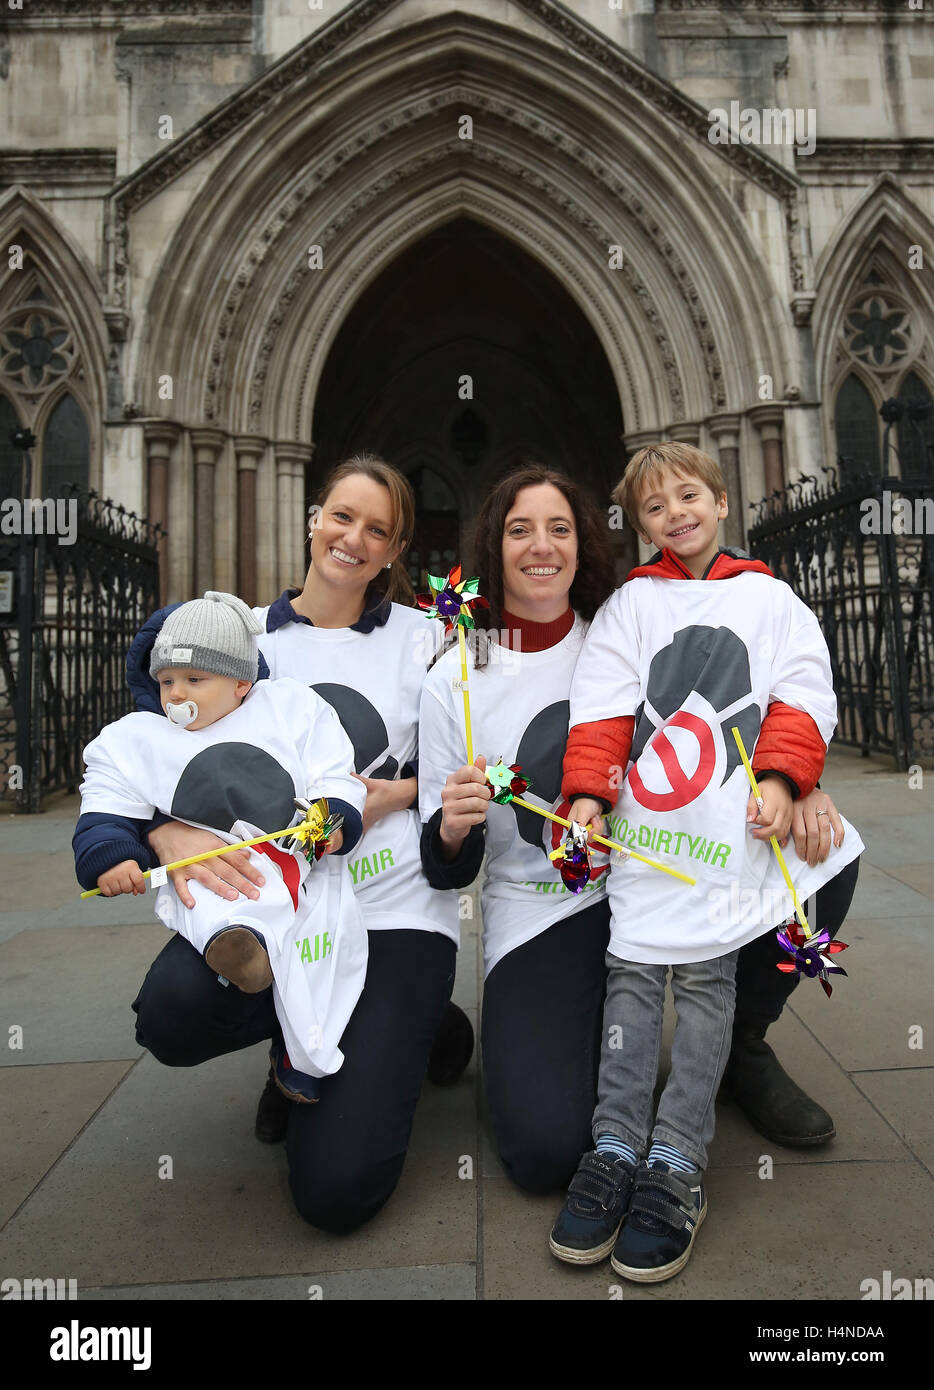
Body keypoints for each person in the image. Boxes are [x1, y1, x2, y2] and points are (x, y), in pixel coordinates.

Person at [418, 461, 861, 1205]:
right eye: (520, 530)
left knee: (828, 861)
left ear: (585, 544)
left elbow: (752, 702)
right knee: (544, 1152)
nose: (540, 546)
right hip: (546, 911)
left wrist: (801, 784)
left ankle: (739, 1046)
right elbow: (442, 868)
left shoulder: (628, 621)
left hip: (663, 865)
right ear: (493, 546)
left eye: (559, 528)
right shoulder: (455, 676)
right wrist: (453, 829)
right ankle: (578, 1040)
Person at [128, 457, 469, 1233]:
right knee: (173, 1013)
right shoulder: (242, 635)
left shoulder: (429, 639)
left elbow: (470, 760)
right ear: (313, 518)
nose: (353, 538)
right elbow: (151, 735)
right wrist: (161, 828)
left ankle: (424, 1019)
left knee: (335, 1194)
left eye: (377, 529)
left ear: (394, 550)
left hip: (393, 907)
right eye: (341, 516)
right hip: (280, 900)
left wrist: (406, 792)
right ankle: (302, 1035)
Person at [548, 442, 863, 1281]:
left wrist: (785, 779)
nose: (675, 515)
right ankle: (615, 1143)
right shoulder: (629, 607)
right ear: (639, 523)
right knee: (634, 979)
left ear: (722, 501)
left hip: (729, 832)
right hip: (650, 835)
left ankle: (680, 1156)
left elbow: (801, 690)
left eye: (689, 496)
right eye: (655, 507)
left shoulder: (773, 599)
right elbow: (606, 708)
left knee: (711, 984)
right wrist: (586, 794)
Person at [74, 591, 367, 1100]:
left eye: (194, 680)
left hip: (292, 861)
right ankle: (238, 949)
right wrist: (116, 856)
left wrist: (330, 821)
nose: (176, 693)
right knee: (209, 903)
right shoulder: (137, 738)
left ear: (241, 684)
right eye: (166, 680)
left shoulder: (289, 708)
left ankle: (300, 1057)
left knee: (323, 945)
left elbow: (335, 774)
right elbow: (107, 806)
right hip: (209, 878)